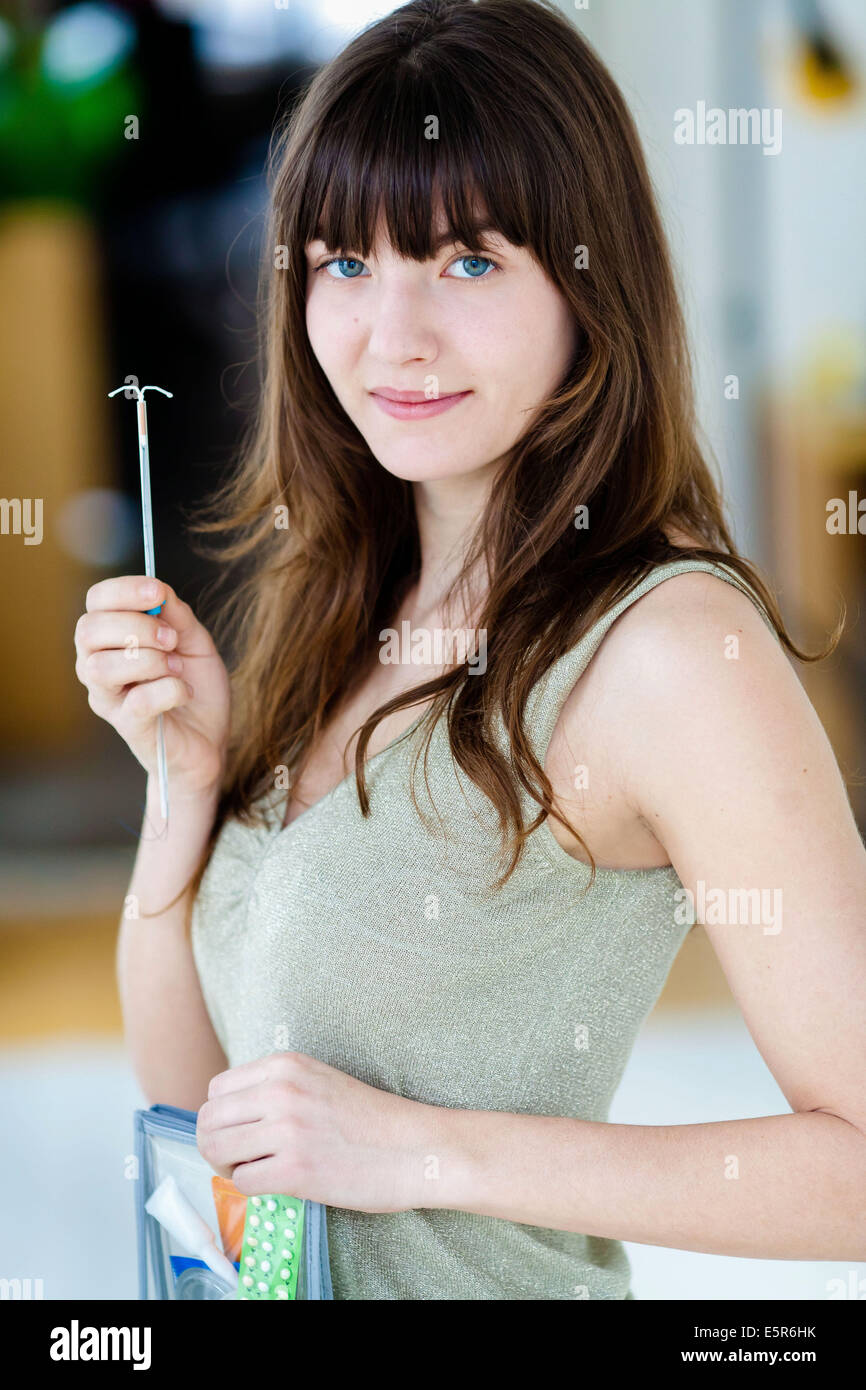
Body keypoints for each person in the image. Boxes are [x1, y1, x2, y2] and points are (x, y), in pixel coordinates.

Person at [74, 0, 866, 1299]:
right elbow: (211, 1126)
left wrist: (427, 1149)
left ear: (588, 277)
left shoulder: (663, 646)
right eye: (342, 262)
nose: (393, 336)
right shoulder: (338, 603)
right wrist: (185, 792)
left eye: (466, 262)